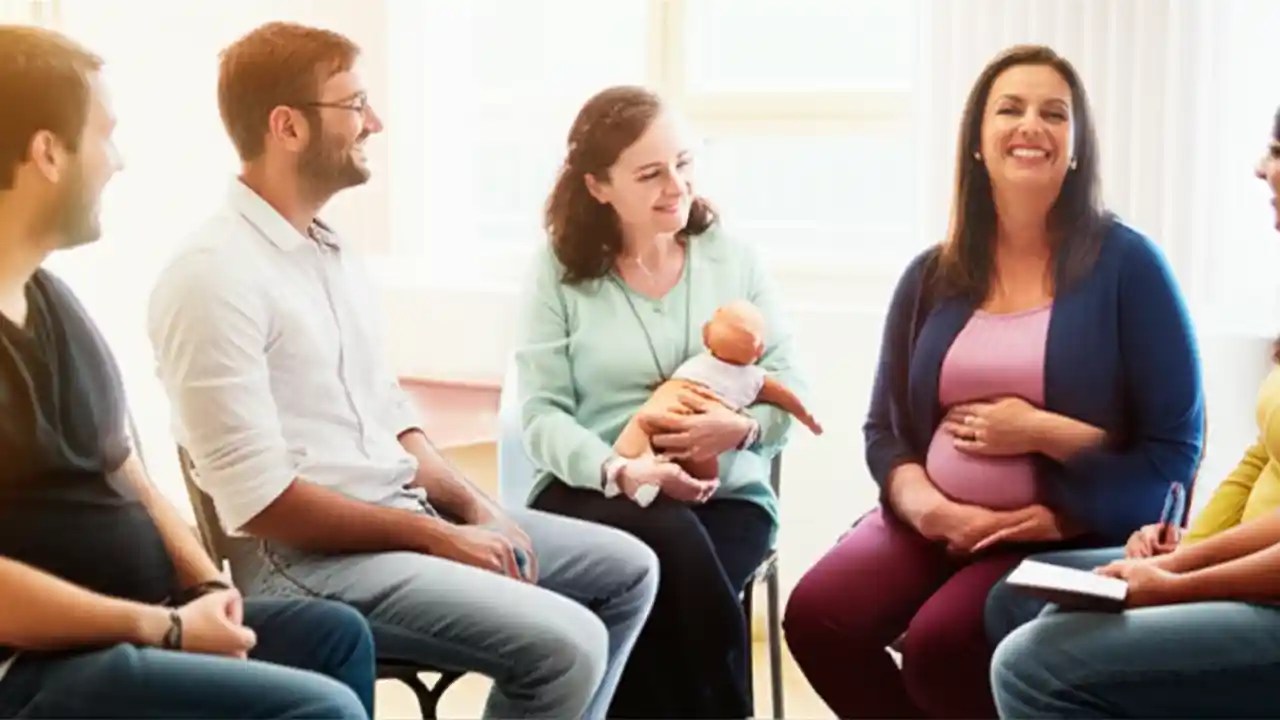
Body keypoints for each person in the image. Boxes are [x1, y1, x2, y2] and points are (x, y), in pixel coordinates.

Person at [145, 22, 658, 720]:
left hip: (396, 516)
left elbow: (387, 416)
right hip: (303, 563)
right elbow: (258, 503)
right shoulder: (211, 276)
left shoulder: (329, 252)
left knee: (628, 572)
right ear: (287, 127)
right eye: (355, 105)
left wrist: (475, 507)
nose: (374, 122)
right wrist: (440, 537)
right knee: (567, 646)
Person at [781, 44, 1205, 719]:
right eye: (1009, 108)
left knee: (941, 647)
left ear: (1077, 145)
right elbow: (884, 429)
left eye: (1054, 113)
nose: (1030, 124)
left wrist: (1045, 442)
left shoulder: (1131, 268)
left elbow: (1175, 450)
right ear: (977, 140)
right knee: (817, 619)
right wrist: (930, 508)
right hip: (932, 521)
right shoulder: (932, 275)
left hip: (1059, 531)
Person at [0, 25, 373, 720]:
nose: (118, 161)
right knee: (321, 709)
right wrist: (163, 628)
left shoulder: (51, 301)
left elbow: (125, 468)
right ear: (48, 152)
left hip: (137, 626)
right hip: (33, 666)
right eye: (104, 136)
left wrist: (204, 589)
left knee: (333, 637)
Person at [512, 84, 807, 718]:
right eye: (650, 174)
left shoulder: (735, 259)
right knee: (664, 552)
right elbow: (541, 416)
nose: (676, 186)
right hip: (593, 489)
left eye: (684, 164)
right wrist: (623, 470)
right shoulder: (557, 273)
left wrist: (739, 430)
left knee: (661, 581)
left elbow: (792, 393)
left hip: (724, 497)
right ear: (599, 187)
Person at [990, 104, 1280, 719]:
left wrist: (1181, 583)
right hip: (1249, 563)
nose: (1260, 169)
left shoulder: (1130, 262)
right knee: (1012, 600)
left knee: (1035, 664)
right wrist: (1192, 545)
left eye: (1277, 150)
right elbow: (1264, 453)